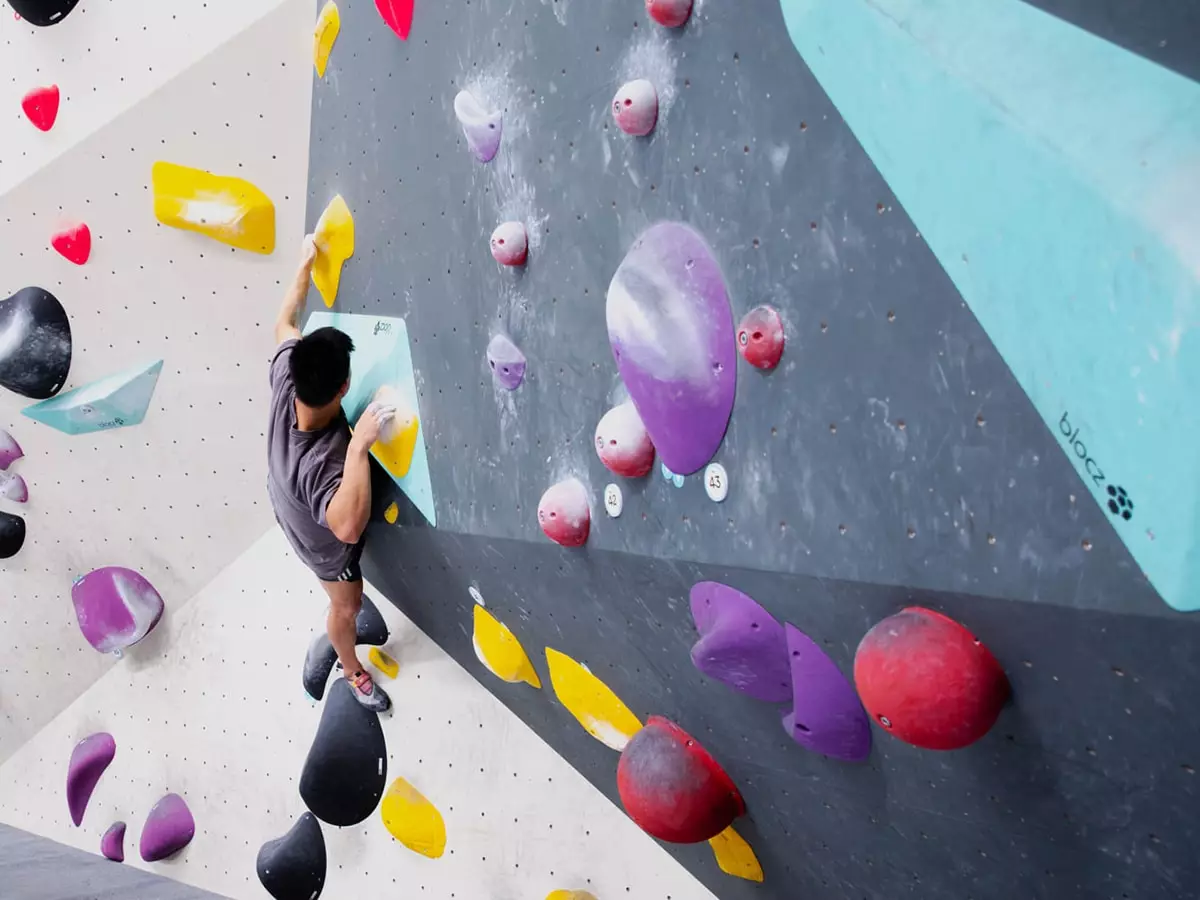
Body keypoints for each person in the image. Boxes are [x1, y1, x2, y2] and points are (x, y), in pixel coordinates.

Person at [267, 235, 395, 712]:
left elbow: (285, 321)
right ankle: (353, 669)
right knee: (348, 604)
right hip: (322, 545)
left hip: (285, 497)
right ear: (344, 387)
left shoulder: (286, 375)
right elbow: (345, 524)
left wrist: (305, 264)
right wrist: (359, 444)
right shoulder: (322, 464)